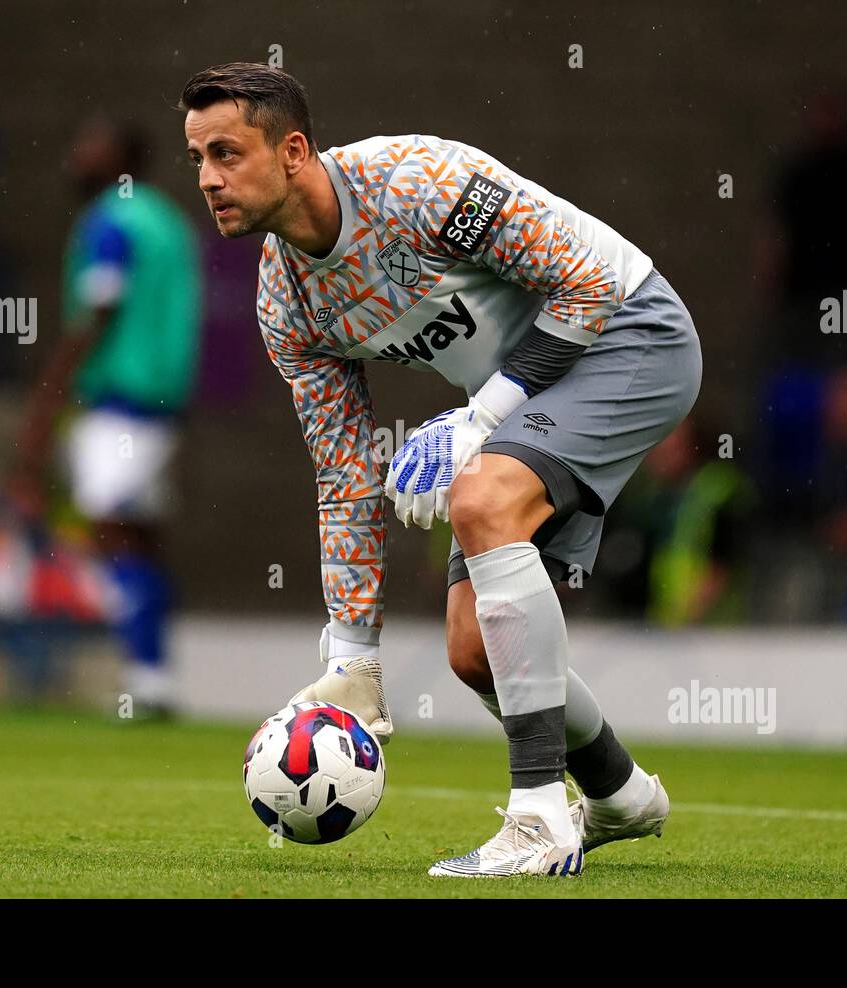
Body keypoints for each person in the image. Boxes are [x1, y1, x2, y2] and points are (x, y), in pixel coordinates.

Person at [181, 63, 700, 877]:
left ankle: (537, 820)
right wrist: (354, 658)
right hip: (534, 395)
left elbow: (590, 285)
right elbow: (346, 475)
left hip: (631, 335)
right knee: (475, 651)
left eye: (225, 153)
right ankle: (619, 795)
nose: (208, 180)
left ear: (290, 150)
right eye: (198, 160)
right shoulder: (286, 304)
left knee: (482, 500)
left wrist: (482, 416)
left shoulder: (418, 183)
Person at [14, 117, 203, 716]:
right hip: (162, 402)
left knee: (108, 528)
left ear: (123, 160)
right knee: (141, 538)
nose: (76, 156)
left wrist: (45, 400)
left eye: (90, 146)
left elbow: (98, 311)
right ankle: (153, 675)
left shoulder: (113, 222)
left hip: (120, 401)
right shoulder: (167, 219)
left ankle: (147, 679)